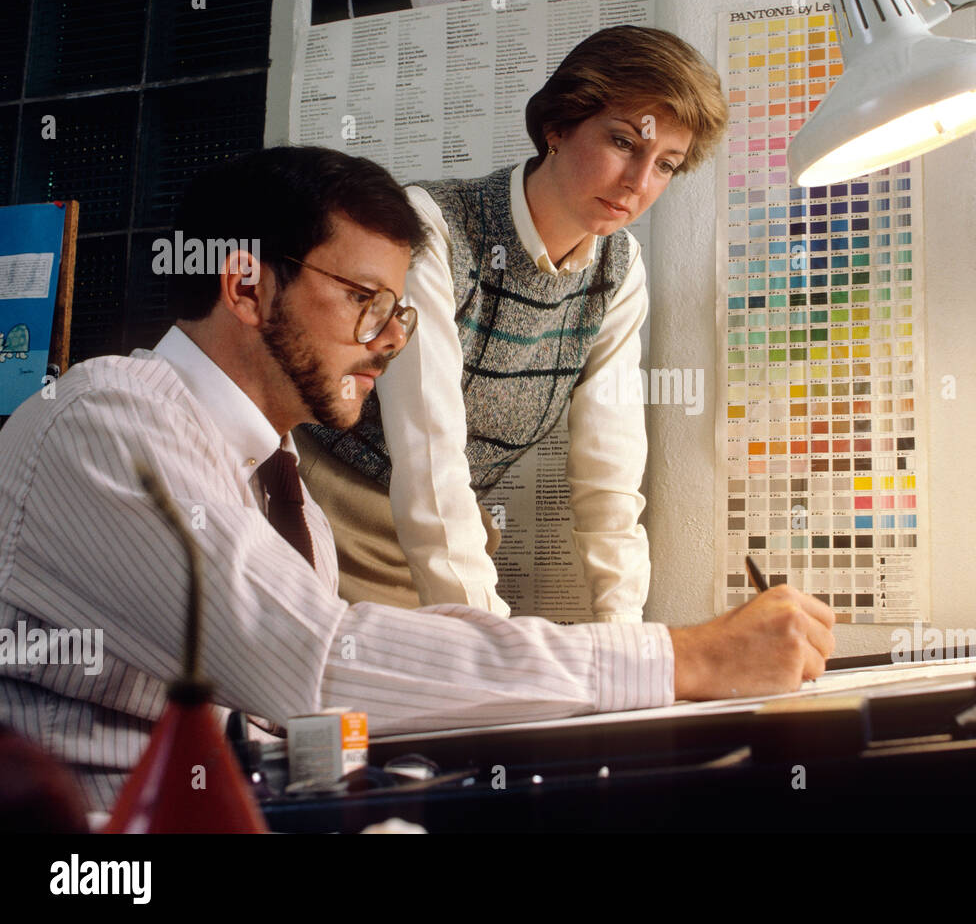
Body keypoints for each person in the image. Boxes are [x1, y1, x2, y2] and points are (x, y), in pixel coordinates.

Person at [0, 147, 833, 811]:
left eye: (399, 311)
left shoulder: (281, 489)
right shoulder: (110, 422)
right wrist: (681, 656)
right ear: (246, 286)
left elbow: (297, 713)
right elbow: (319, 667)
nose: (393, 339)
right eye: (365, 299)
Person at [298, 25, 728, 620]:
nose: (638, 183)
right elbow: (428, 455)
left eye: (666, 165)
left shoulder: (618, 270)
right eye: (624, 142)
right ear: (559, 126)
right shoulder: (432, 227)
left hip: (446, 543)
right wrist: (486, 639)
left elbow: (610, 476)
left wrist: (625, 633)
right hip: (320, 516)